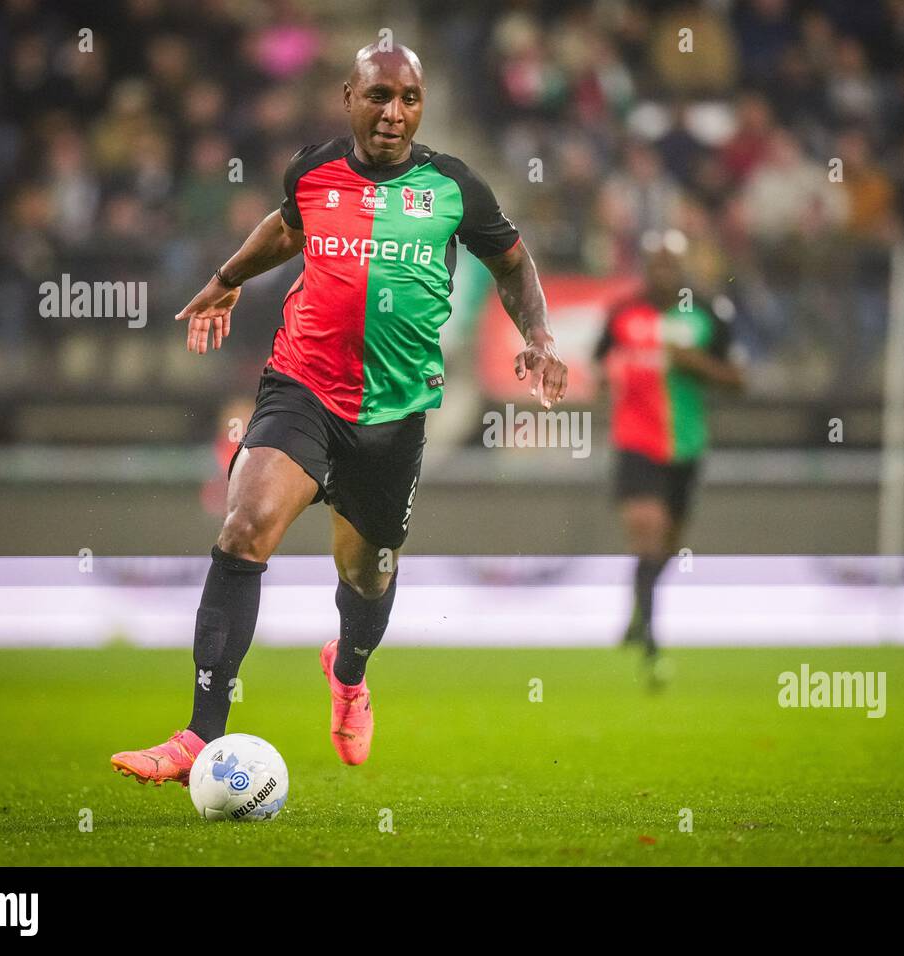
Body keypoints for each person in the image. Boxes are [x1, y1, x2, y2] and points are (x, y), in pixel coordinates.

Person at [111, 42, 566, 783]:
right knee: (245, 525)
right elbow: (287, 226)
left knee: (367, 576)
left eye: (409, 100)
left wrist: (539, 336)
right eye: (380, 96)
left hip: (393, 414)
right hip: (302, 387)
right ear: (348, 96)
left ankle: (349, 673)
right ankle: (199, 735)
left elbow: (512, 261)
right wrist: (227, 278)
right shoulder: (314, 170)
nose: (394, 114)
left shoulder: (455, 187)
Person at [594, 229, 741, 679]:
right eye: (654, 262)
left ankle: (639, 612)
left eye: (669, 263)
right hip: (636, 443)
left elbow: (739, 381)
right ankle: (652, 645)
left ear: (681, 267)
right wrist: (608, 382)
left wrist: (698, 365)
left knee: (669, 545)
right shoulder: (622, 313)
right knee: (649, 533)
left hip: (687, 445)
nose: (662, 271)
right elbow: (600, 362)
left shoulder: (709, 313)